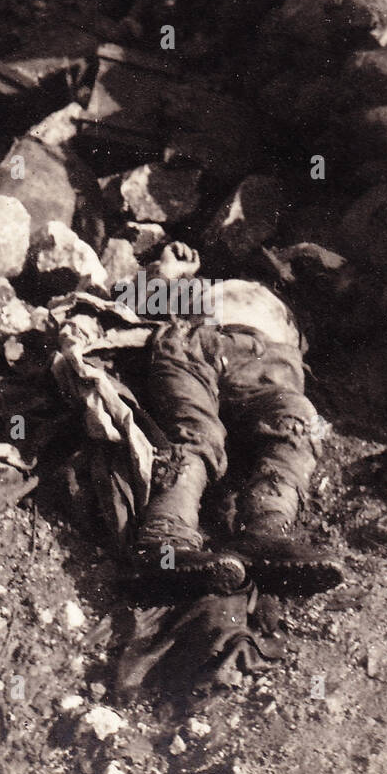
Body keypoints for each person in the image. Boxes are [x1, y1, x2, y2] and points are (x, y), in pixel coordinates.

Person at [127, 241, 344, 598]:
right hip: (197, 345)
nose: (287, 272)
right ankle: (164, 544)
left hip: (268, 369)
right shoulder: (212, 286)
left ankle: (265, 535)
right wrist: (167, 271)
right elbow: (136, 300)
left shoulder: (299, 323)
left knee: (300, 422)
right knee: (197, 433)